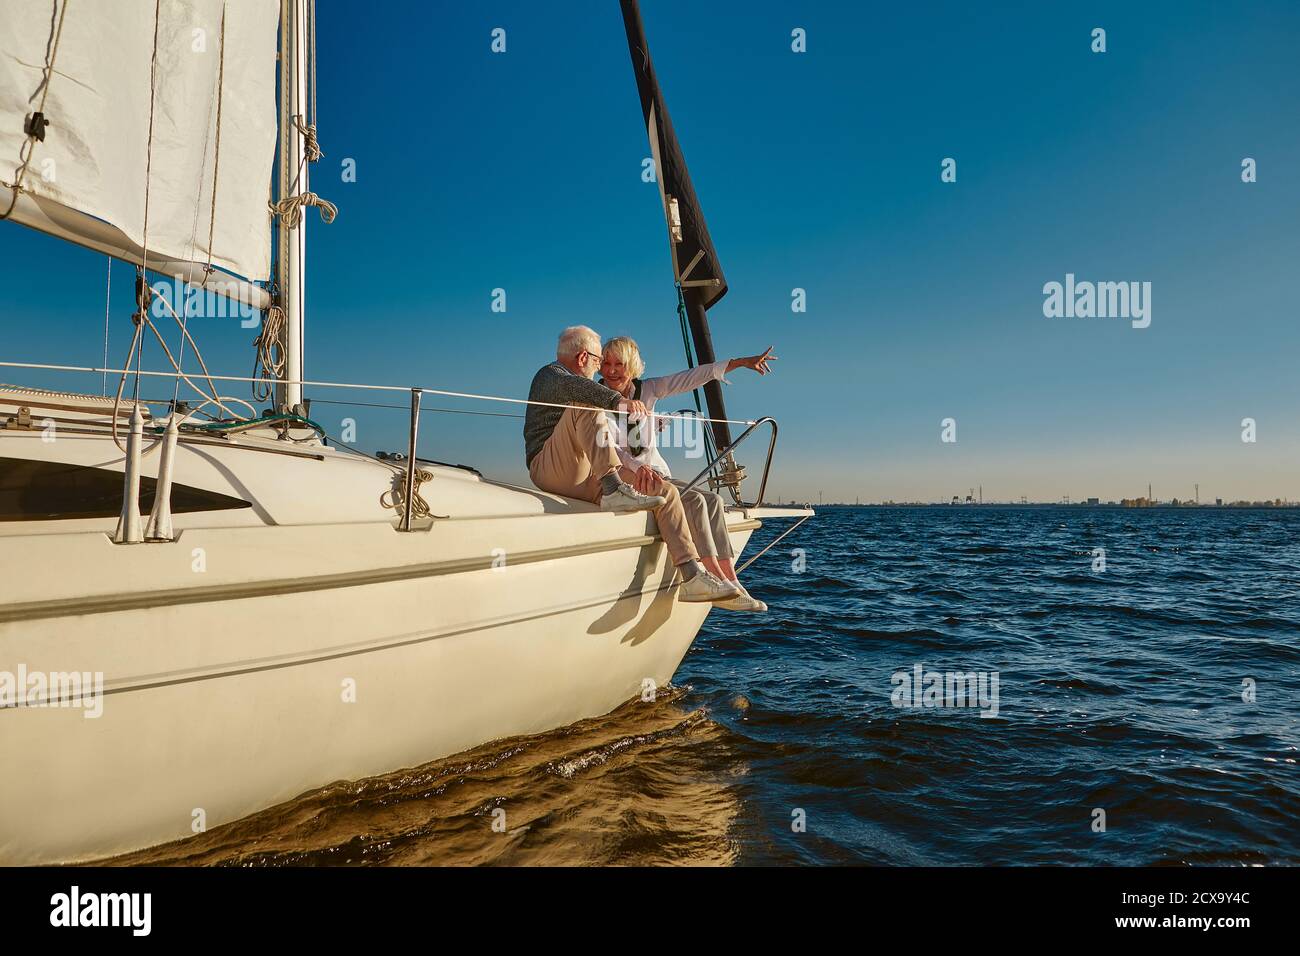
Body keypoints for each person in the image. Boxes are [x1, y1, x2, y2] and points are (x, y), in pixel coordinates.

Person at [524, 326, 740, 603]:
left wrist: (734, 364)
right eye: (599, 361)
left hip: (586, 468)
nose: (602, 368)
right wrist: (620, 402)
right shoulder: (553, 376)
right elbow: (579, 391)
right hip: (549, 465)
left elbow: (686, 379)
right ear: (583, 359)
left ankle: (693, 577)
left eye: (614, 363)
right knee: (587, 404)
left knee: (666, 493)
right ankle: (614, 490)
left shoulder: (645, 388)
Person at [599, 335, 777, 613]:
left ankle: (731, 580)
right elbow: (609, 448)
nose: (610, 371)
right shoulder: (597, 397)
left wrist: (740, 363)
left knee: (714, 501)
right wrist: (637, 468)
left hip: (654, 471)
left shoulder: (648, 389)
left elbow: (692, 377)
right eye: (606, 363)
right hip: (626, 473)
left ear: (632, 366)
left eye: (618, 364)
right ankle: (711, 578)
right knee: (693, 501)